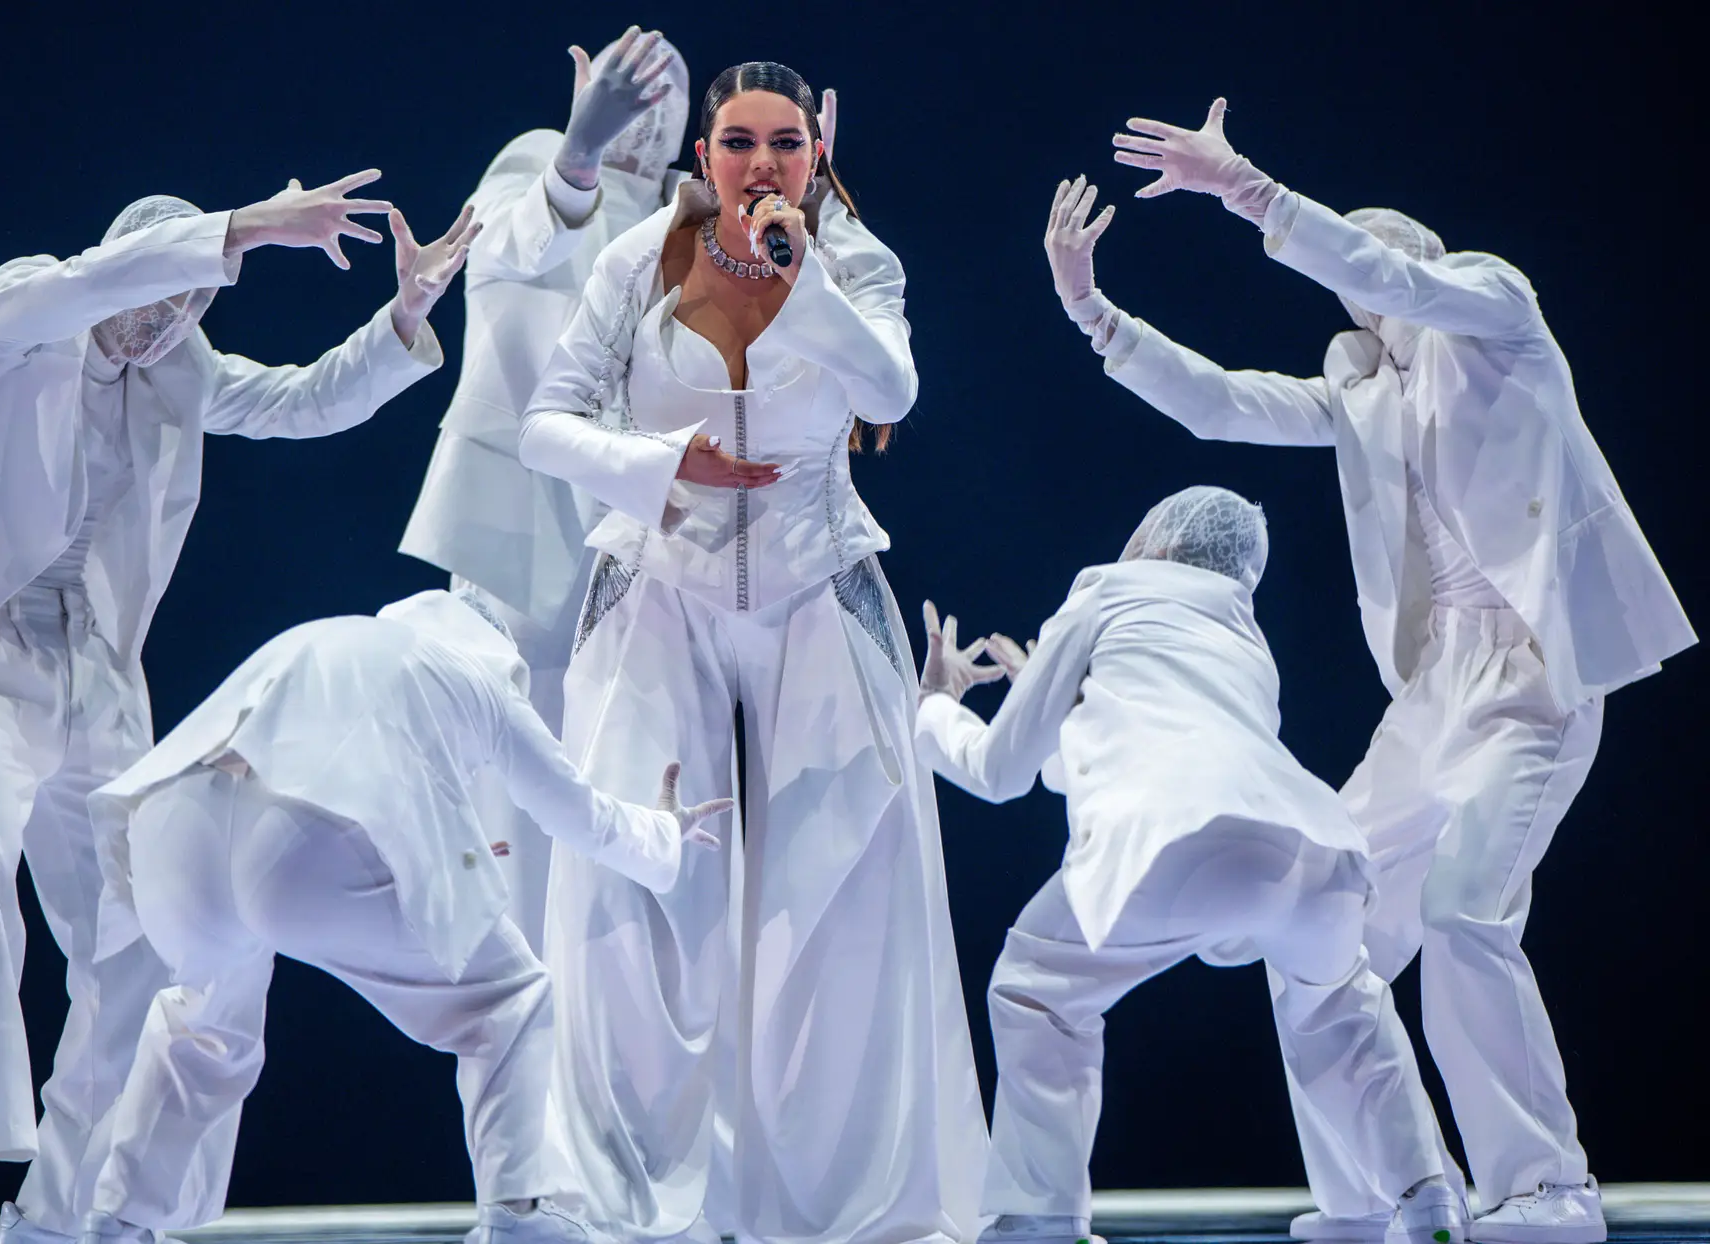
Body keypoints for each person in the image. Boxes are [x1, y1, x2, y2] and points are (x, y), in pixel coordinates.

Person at [1049, 97, 1696, 1244]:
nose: (1369, 275)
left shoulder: (1499, 313)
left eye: (1384, 254)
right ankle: (1377, 1192)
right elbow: (1221, 403)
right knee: (1317, 919)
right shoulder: (1365, 395)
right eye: (1358, 264)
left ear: (1423, 264)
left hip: (1531, 683)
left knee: (1459, 916)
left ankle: (1549, 1187)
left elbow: (1384, 270)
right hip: (1433, 694)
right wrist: (1097, 314)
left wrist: (1245, 185)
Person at [0, 175, 478, 1244]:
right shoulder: (17, 313)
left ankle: (58, 1216)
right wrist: (247, 229)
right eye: (162, 293)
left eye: (193, 308)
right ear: (127, 265)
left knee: (136, 942)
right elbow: (91, 284)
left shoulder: (180, 367)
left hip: (94, 677)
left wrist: (402, 320)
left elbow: (297, 402)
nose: (166, 322)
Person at [516, 62, 986, 1244]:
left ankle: (842, 1212)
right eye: (739, 141)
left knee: (833, 905)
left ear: (813, 157)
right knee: (638, 893)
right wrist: (661, 463)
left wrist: (803, 273)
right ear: (705, 153)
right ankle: (631, 1203)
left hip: (816, 591)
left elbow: (893, 383)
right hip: (660, 590)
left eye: (786, 143)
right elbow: (546, 422)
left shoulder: (853, 264)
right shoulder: (641, 259)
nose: (762, 164)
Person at [72, 588, 733, 1244]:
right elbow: (579, 815)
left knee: (205, 1030)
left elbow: (322, 763)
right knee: (510, 1000)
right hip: (293, 846)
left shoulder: (332, 636)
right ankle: (518, 1217)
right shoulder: (478, 675)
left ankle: (116, 1219)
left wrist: (445, 847)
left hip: (170, 837)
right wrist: (664, 834)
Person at [917, 486, 1461, 1244]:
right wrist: (1072, 710)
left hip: (1179, 843)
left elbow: (998, 773)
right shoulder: (1245, 637)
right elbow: (1154, 744)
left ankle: (1041, 1221)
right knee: (1342, 1013)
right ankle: (1429, 1201)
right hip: (1317, 850)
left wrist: (936, 707)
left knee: (1035, 990)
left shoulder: (1106, 589)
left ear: (1164, 545)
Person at [398, 26, 694, 954]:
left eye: (665, 96)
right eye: (629, 89)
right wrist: (577, 150)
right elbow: (505, 253)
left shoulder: (693, 227)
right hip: (520, 560)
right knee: (513, 871)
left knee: (623, 865)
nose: (647, 110)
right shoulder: (540, 170)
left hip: (638, 576)